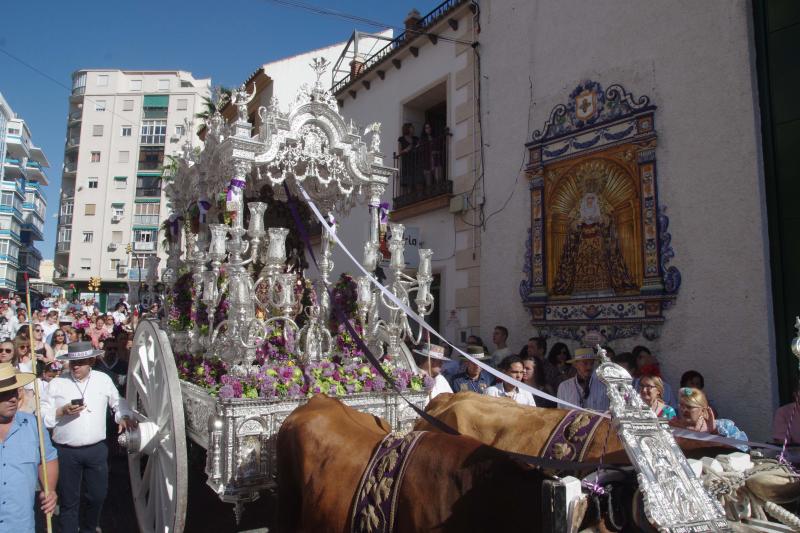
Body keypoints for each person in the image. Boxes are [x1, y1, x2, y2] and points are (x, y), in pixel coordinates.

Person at [42, 341, 136, 533]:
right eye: (72, 362)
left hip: (96, 450)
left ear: (91, 361)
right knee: (69, 499)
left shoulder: (103, 379)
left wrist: (123, 416)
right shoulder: (57, 384)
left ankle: (89, 528)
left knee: (97, 495)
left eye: (82, 361)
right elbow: (42, 414)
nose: (76, 366)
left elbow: (117, 402)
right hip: (66, 452)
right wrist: (61, 411)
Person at [0, 362, 59, 532]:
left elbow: (48, 458)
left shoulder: (34, 425)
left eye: (14, 392)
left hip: (20, 524)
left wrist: (50, 489)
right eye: (5, 394)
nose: (13, 399)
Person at [670, 387, 747, 449]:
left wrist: (714, 432)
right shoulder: (674, 428)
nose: (684, 410)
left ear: (703, 410)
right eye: (681, 405)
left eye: (689, 407)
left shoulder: (723, 426)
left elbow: (744, 447)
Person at [397, 123, 419, 194]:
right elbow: (400, 152)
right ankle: (407, 195)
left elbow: (419, 147)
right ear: (407, 129)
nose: (413, 129)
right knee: (407, 180)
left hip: (415, 160)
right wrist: (407, 149)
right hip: (406, 161)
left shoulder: (415, 139)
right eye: (411, 128)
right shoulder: (401, 139)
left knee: (415, 179)